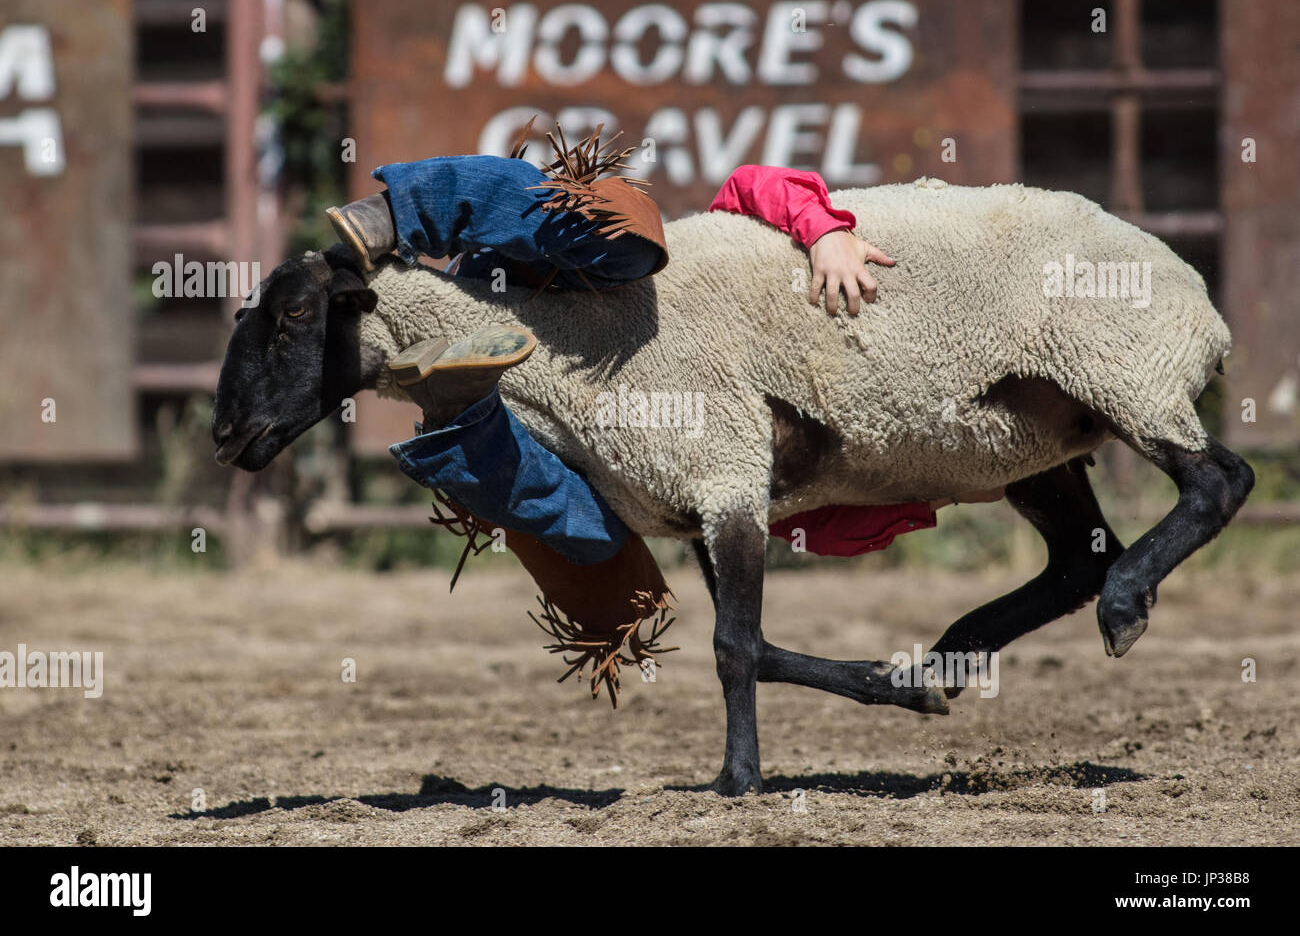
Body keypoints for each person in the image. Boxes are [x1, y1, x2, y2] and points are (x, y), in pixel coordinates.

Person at [324, 127, 1001, 700]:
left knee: (630, 248)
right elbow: (750, 185)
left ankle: (423, 275)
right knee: (588, 520)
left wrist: (824, 233)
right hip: (582, 332)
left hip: (611, 309)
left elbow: (746, 188)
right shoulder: (829, 464)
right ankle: (451, 386)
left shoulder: (864, 461)